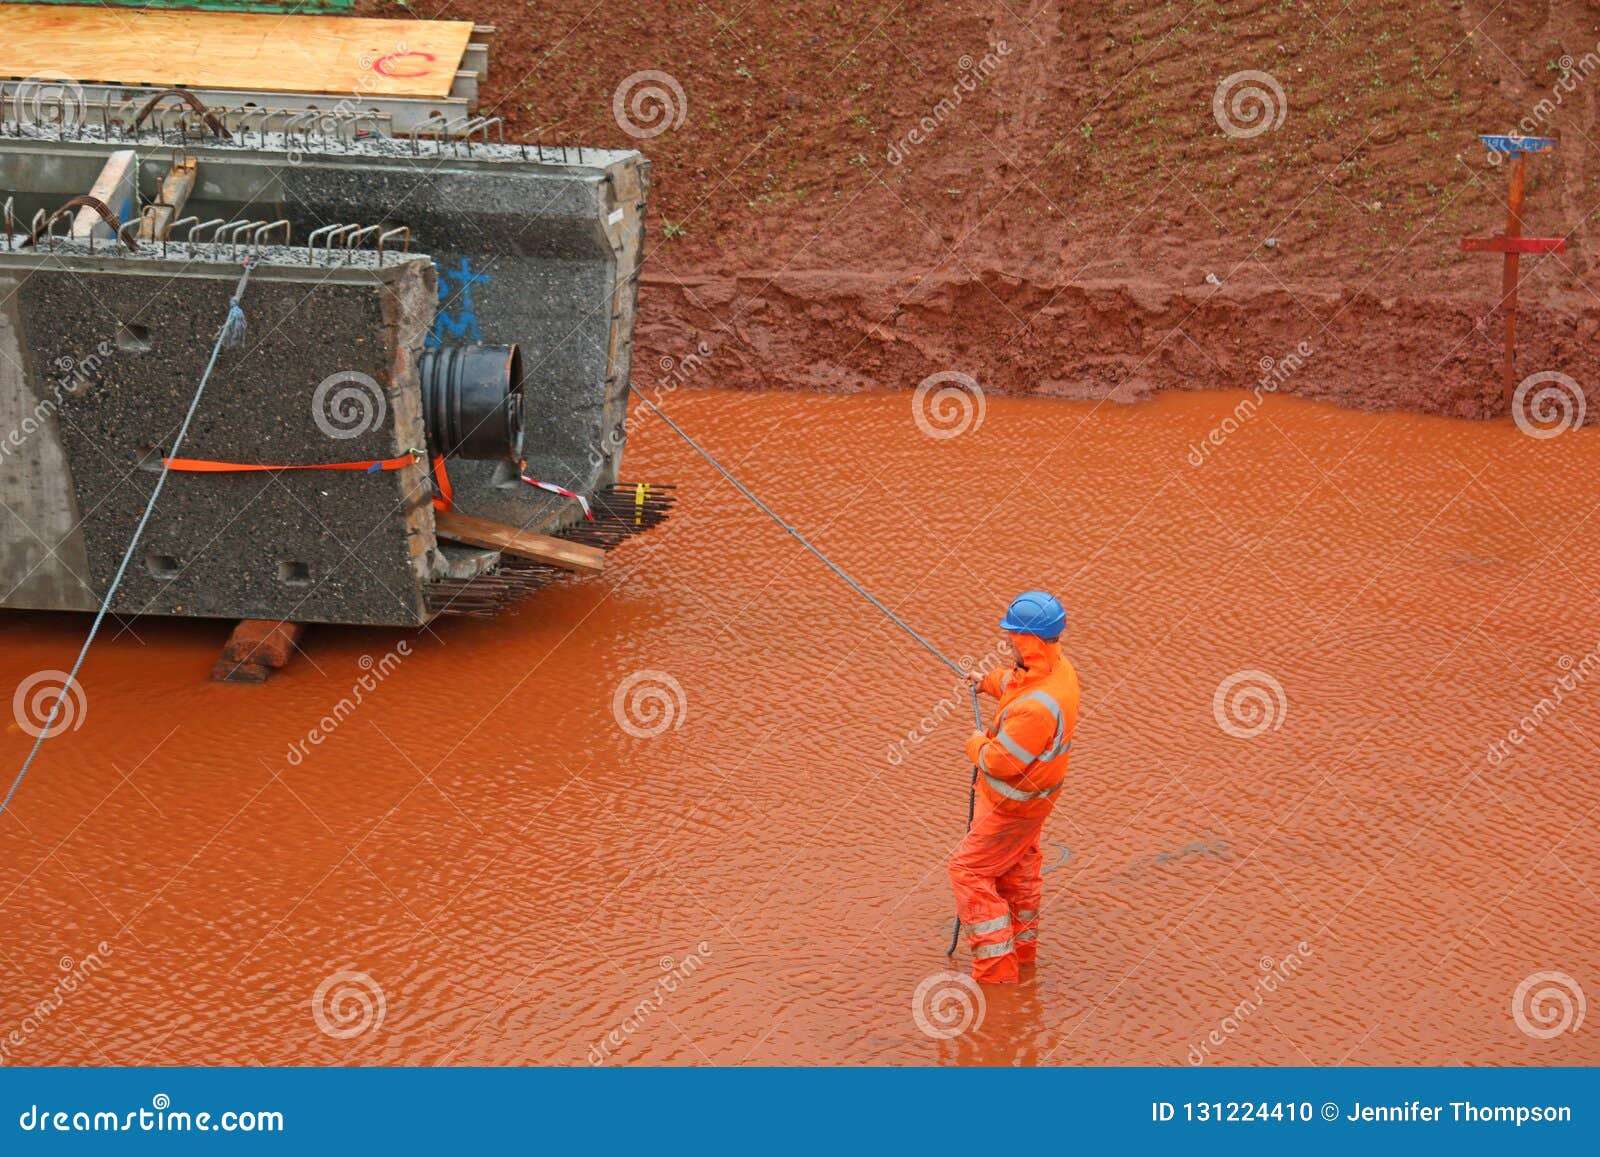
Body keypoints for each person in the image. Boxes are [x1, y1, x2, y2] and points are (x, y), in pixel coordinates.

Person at [951, 590, 1080, 984]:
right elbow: (1018, 682)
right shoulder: (1058, 671)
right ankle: (1022, 961)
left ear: (1030, 641)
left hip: (1009, 807)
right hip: (1034, 804)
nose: (1008, 641)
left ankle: (996, 976)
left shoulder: (1036, 709)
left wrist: (975, 742)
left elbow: (1000, 762)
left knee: (968, 872)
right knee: (1017, 872)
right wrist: (987, 682)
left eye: (1013, 636)